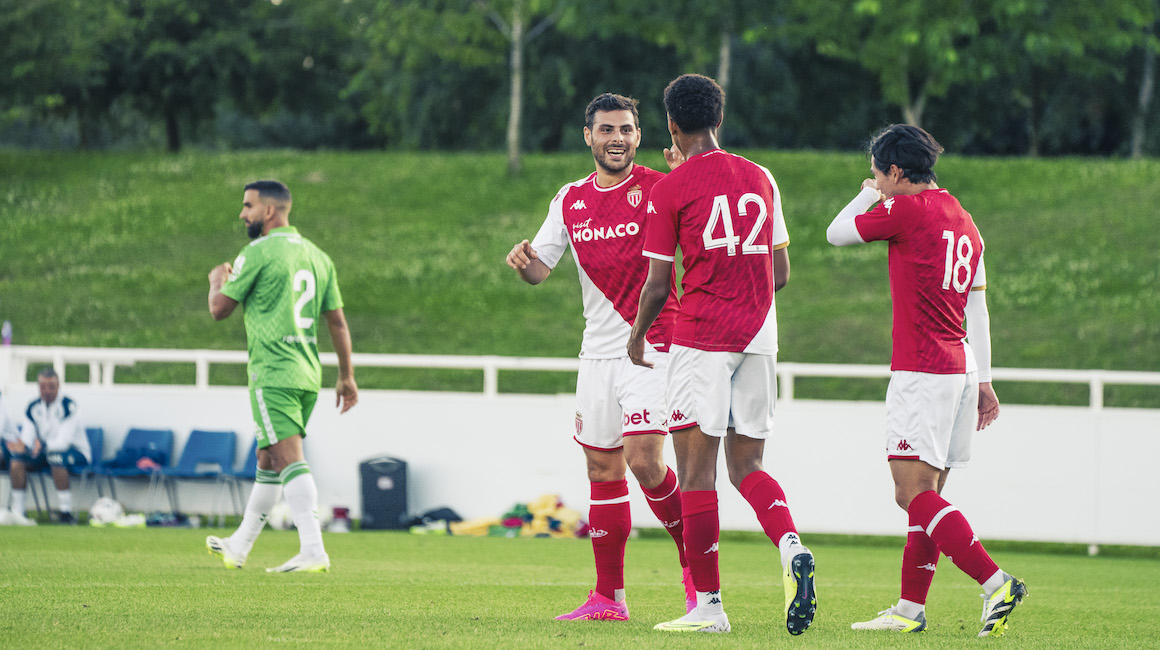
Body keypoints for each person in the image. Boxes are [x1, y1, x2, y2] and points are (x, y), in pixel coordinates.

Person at [628, 73, 816, 636]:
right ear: (719, 118)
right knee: (748, 466)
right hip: (759, 337)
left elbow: (658, 284)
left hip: (702, 338)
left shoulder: (670, 190)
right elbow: (781, 272)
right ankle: (791, 544)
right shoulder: (761, 177)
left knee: (695, 473)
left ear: (671, 124)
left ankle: (708, 607)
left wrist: (637, 336)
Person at [826, 124, 1026, 637]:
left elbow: (836, 233)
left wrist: (865, 196)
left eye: (877, 174)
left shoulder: (906, 209)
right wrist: (985, 379)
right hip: (961, 368)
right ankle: (909, 609)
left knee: (910, 492)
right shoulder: (965, 219)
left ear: (895, 171)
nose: (877, 182)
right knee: (928, 495)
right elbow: (977, 308)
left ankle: (996, 582)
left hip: (922, 370)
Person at [505, 92, 693, 621]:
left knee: (645, 461)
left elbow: (701, 231)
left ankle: (696, 573)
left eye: (626, 129)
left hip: (654, 344)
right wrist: (523, 262)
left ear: (639, 136)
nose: (617, 138)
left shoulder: (660, 186)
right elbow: (540, 269)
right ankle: (609, 598)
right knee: (601, 467)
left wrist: (687, 176)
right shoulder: (569, 199)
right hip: (597, 353)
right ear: (588, 136)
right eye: (607, 129)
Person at [205, 179, 358, 573]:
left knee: (289, 459)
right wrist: (346, 376)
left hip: (273, 372)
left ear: (269, 211)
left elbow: (219, 309)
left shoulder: (256, 253)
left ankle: (313, 549)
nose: (243, 214)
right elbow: (337, 322)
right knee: (269, 458)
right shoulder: (318, 257)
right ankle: (239, 546)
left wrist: (217, 279)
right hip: (306, 374)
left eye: (248, 206)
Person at [2, 367, 90, 525]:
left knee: (56, 457)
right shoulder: (33, 407)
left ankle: (65, 512)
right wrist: (22, 447)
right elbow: (28, 438)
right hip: (44, 452)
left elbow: (63, 442)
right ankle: (18, 512)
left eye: (51, 386)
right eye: (43, 387)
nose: (47, 391)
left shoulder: (69, 407)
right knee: (17, 461)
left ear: (58, 386)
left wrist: (41, 446)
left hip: (75, 452)